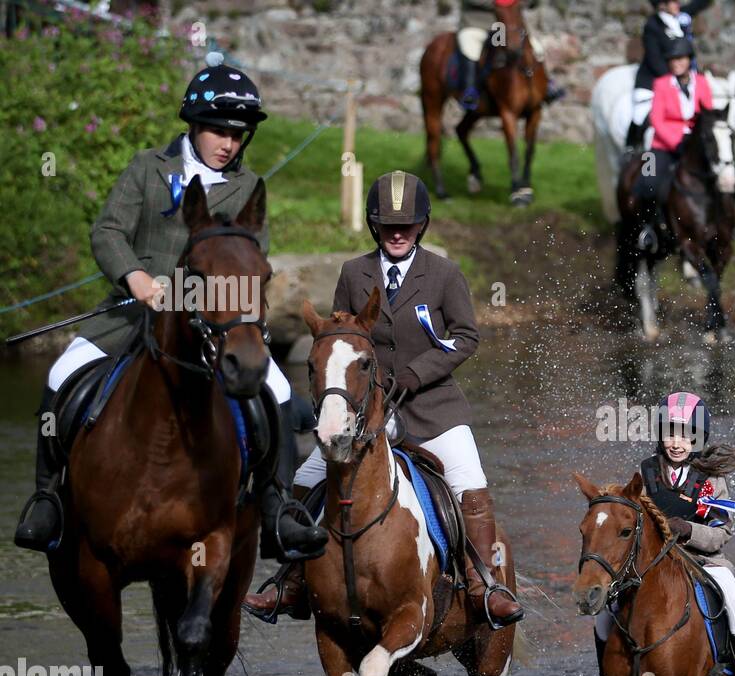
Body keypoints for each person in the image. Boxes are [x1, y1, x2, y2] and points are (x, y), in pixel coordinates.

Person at [13, 53, 327, 563]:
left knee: (278, 391)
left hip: (212, 326)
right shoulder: (147, 168)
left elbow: (252, 259)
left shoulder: (248, 188)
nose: (229, 144)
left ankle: (280, 511)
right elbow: (108, 230)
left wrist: (204, 302)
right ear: (195, 125)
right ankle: (48, 498)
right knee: (60, 373)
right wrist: (135, 277)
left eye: (239, 134)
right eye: (220, 132)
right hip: (129, 314)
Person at [244, 170, 524, 628]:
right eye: (388, 224)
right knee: (308, 475)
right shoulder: (354, 273)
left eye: (408, 225)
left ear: (422, 226)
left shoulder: (444, 274)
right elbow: (339, 333)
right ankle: (290, 579)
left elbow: (466, 337)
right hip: (369, 409)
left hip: (433, 409)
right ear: (375, 226)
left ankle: (483, 583)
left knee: (468, 480)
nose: (398, 232)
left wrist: (417, 372)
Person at [590, 391, 735, 676]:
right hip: (654, 565)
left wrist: (688, 529)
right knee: (606, 610)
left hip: (704, 562)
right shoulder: (644, 473)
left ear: (698, 438)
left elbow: (722, 533)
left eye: (686, 436)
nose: (677, 442)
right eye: (671, 433)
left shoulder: (712, 479)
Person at [630, 35, 713, 253]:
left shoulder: (702, 83)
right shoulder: (661, 84)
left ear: (689, 60)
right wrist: (676, 142)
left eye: (681, 59)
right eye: (672, 59)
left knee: (725, 176)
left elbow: (709, 116)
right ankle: (647, 229)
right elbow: (657, 120)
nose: (676, 63)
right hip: (663, 145)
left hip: (694, 145)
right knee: (648, 181)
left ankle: (728, 224)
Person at [626, 0, 714, 152]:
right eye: (673, 2)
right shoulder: (652, 26)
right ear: (662, 5)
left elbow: (698, 5)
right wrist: (673, 82)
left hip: (682, 80)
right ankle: (633, 150)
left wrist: (684, 80)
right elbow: (655, 60)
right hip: (653, 81)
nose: (677, 4)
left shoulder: (679, 17)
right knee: (640, 116)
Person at [457, 0, 564, 112]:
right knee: (471, 50)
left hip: (504, 26)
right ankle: (469, 91)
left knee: (536, 48)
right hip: (476, 25)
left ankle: (547, 86)